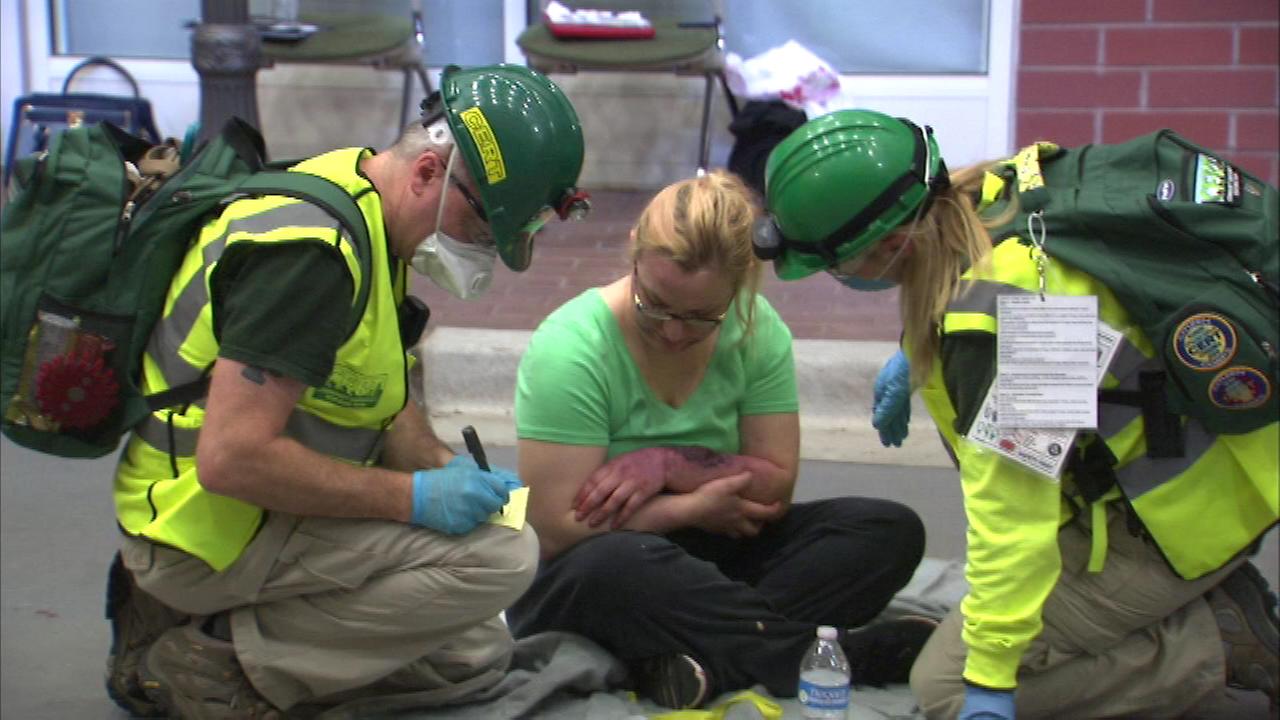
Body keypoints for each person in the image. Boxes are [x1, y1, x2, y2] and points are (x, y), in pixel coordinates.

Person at [755, 108, 1280, 719]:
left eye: (840, 265)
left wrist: (992, 680)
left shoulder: (1018, 322)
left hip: (1182, 519)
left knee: (943, 686)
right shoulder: (1000, 190)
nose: (841, 279)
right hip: (1194, 471)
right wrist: (915, 351)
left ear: (895, 244)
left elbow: (1017, 514)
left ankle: (1215, 648)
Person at [105, 63, 590, 719]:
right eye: (482, 229)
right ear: (427, 172)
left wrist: (446, 470)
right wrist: (414, 499)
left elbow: (379, 400)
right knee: (501, 562)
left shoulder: (365, 205)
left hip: (262, 518)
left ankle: (248, 640)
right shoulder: (311, 258)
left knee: (472, 654)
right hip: (204, 530)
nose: (481, 249)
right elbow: (231, 457)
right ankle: (209, 659)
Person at [504, 169, 935, 710]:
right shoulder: (571, 348)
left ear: (740, 288)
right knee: (614, 565)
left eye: (702, 317)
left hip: (710, 556)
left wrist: (666, 465)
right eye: (655, 304)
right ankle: (821, 657)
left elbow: (773, 489)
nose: (675, 332)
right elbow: (556, 528)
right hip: (602, 564)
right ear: (634, 254)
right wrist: (691, 509)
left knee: (885, 530)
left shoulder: (758, 329)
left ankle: (689, 657)